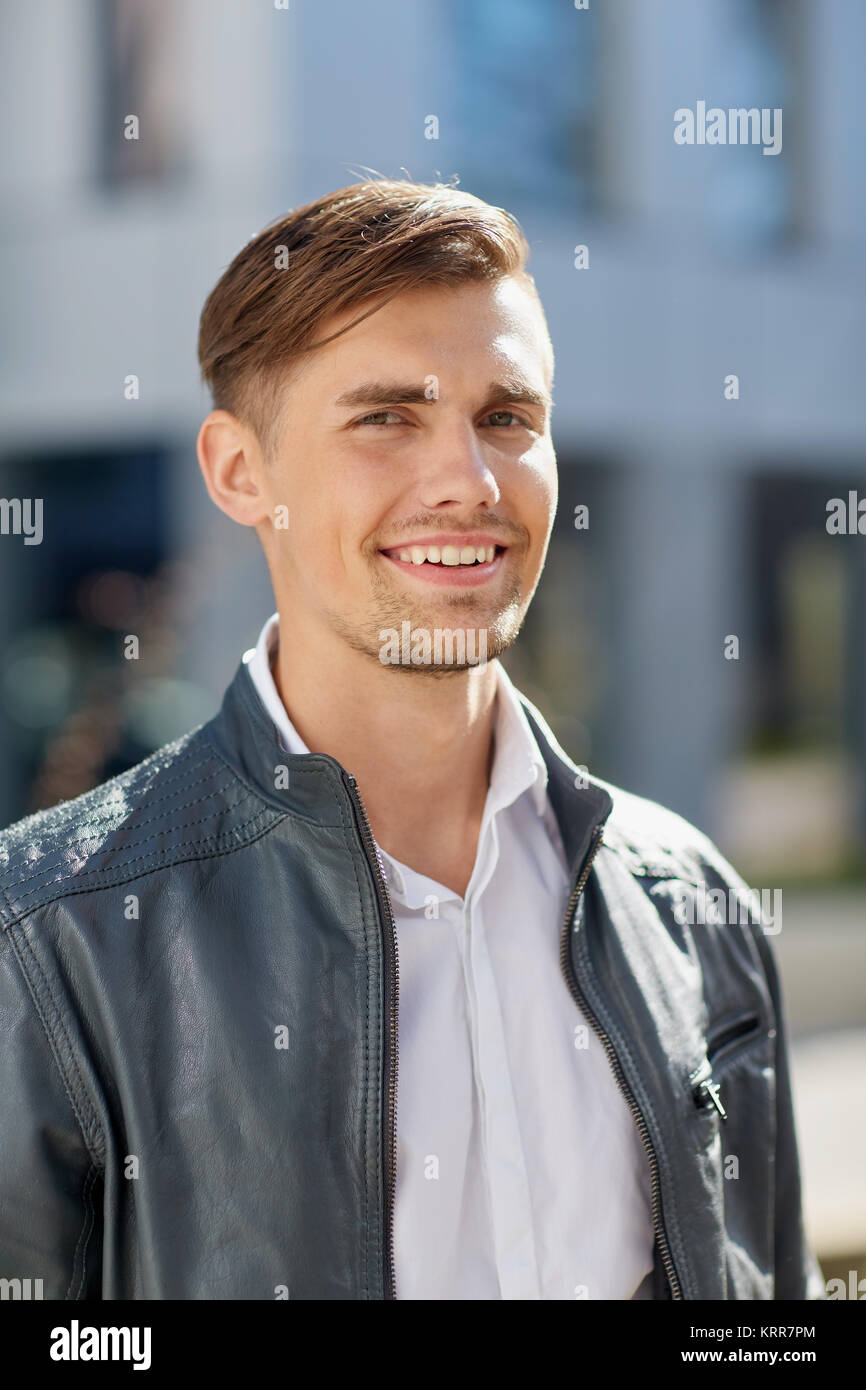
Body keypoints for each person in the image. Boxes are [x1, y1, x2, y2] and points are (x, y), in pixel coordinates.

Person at [0, 179, 824, 1300]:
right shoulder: (49, 941)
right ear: (242, 472)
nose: (468, 482)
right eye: (385, 416)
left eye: (506, 418)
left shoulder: (693, 903)